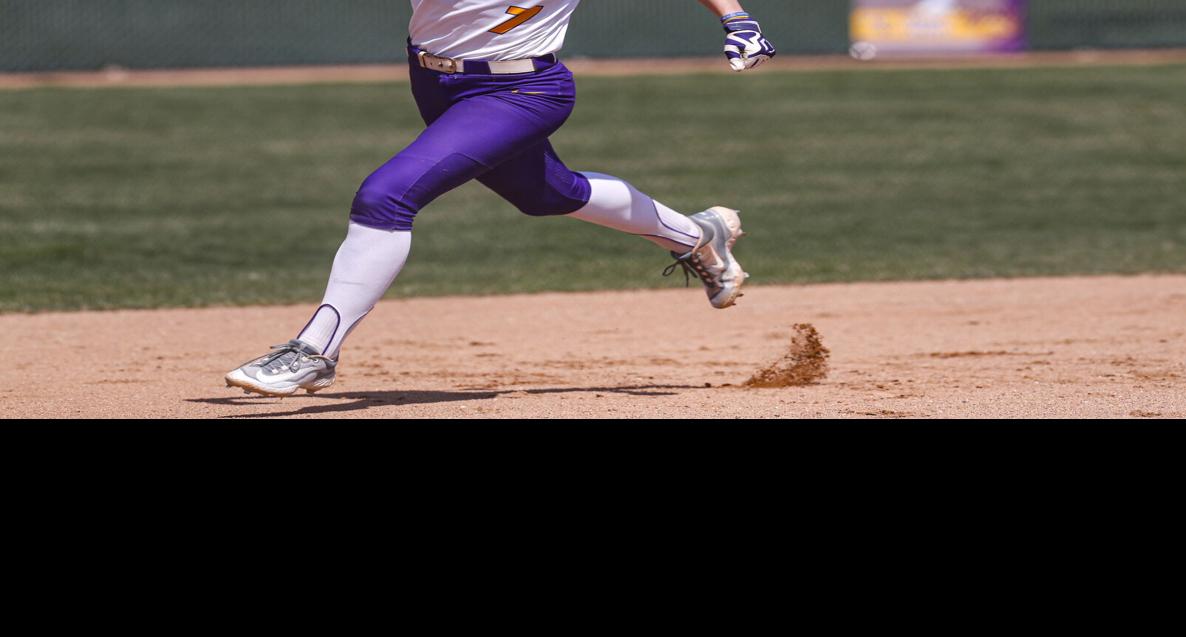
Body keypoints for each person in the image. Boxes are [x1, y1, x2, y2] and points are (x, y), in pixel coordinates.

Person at [226, 0, 777, 397]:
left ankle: (314, 352)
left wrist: (735, 17)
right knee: (548, 193)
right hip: (436, 80)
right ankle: (699, 235)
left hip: (523, 91)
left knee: (385, 197)